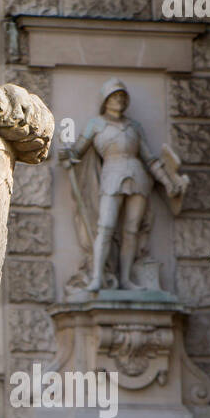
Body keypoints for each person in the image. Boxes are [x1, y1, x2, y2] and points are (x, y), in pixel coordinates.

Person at [60, 78, 185, 291]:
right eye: (115, 96)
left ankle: (126, 279)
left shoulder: (134, 126)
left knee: (131, 231)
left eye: (122, 96)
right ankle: (97, 278)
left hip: (138, 178)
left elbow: (149, 158)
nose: (119, 99)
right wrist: (67, 154)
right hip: (111, 175)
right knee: (105, 227)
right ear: (106, 100)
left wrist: (166, 182)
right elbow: (79, 150)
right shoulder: (96, 124)